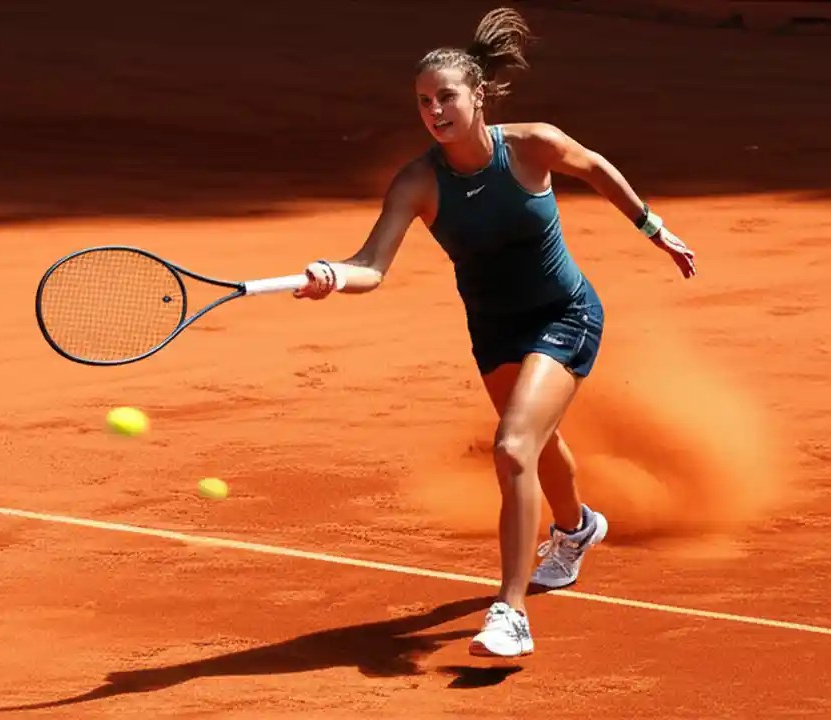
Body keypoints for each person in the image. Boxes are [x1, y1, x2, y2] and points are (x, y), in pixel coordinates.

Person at [293, 7, 696, 658]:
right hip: (493, 331)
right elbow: (372, 265)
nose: (434, 111)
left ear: (478, 94)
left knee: (511, 448)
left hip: (566, 314)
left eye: (446, 96)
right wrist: (334, 275)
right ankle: (577, 528)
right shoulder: (419, 181)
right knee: (536, 441)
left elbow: (595, 167)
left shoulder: (532, 145)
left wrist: (653, 227)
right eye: (424, 102)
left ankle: (510, 613)